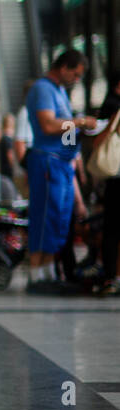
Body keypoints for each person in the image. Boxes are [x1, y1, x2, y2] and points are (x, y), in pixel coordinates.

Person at [24, 49, 97, 293]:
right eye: (74, 74)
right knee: (44, 216)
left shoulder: (60, 92)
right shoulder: (43, 89)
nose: (76, 80)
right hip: (47, 162)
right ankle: (36, 275)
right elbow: (48, 124)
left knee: (57, 218)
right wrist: (80, 122)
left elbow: (64, 129)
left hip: (61, 163)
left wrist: (80, 133)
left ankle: (48, 272)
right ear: (64, 67)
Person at [91, 70, 120, 296]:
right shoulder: (113, 106)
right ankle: (111, 276)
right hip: (116, 176)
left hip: (112, 178)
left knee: (111, 229)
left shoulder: (108, 105)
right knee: (111, 229)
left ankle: (110, 276)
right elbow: (99, 140)